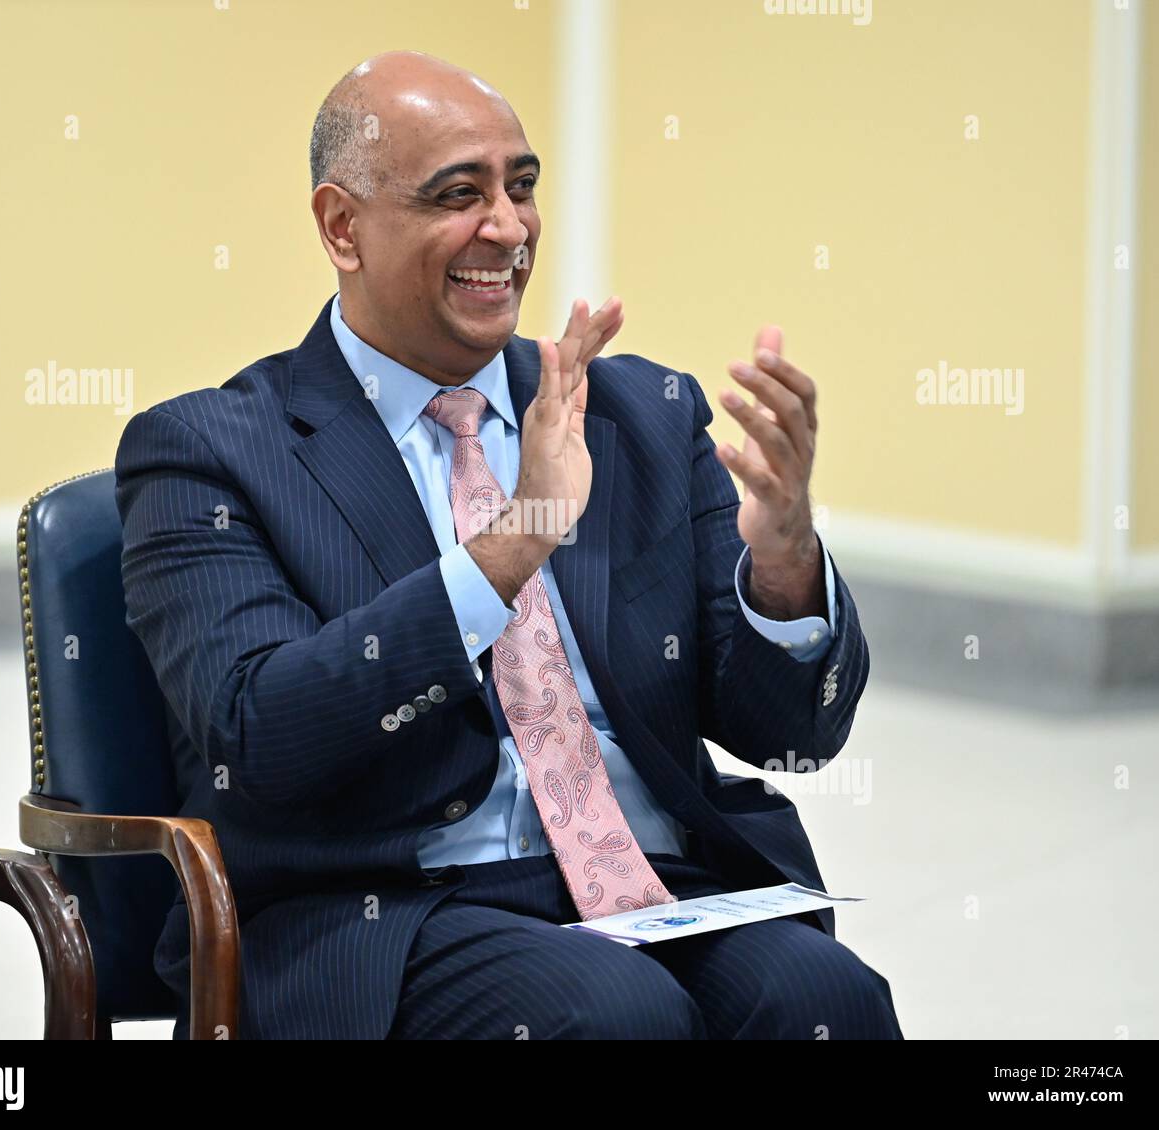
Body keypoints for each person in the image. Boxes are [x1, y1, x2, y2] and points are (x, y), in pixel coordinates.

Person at [115, 49, 902, 1040]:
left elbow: (792, 736)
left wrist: (784, 566)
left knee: (828, 998)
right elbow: (257, 733)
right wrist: (513, 543)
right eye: (459, 194)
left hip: (657, 883)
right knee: (616, 1018)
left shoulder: (639, 414)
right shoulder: (210, 450)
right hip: (390, 909)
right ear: (342, 226)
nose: (508, 227)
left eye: (520, 187)